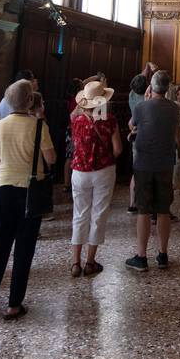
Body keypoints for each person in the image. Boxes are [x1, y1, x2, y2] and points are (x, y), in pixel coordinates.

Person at [0, 82, 56, 320]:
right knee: (23, 249)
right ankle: (14, 304)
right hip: (30, 192)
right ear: (31, 102)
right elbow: (50, 158)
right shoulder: (38, 126)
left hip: (4, 188)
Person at [126, 70, 180, 272]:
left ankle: (141, 256)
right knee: (163, 209)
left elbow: (132, 124)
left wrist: (147, 99)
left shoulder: (141, 106)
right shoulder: (174, 109)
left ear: (151, 86)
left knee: (144, 210)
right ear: (168, 87)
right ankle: (163, 254)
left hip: (144, 163)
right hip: (165, 163)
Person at [69, 79, 122, 277]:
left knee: (79, 215)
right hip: (103, 171)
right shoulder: (110, 120)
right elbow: (117, 149)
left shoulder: (76, 120)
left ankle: (75, 263)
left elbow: (75, 139)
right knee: (98, 215)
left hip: (79, 171)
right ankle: (90, 262)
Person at [126, 71, 151, 214]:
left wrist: (146, 69)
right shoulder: (147, 101)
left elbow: (138, 81)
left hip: (135, 137)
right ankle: (147, 203)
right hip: (147, 137)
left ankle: (132, 204)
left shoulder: (131, 94)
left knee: (136, 171)